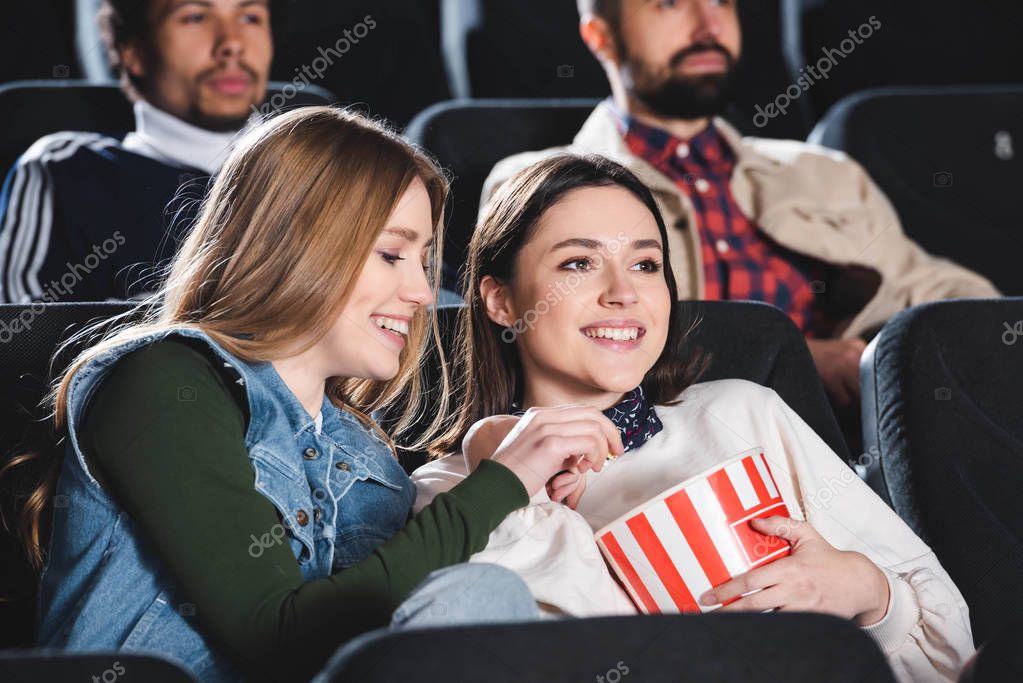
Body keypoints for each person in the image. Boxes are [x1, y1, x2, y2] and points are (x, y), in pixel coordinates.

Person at [0, 109, 624, 682]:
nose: (420, 291)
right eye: (391, 254)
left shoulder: (361, 447)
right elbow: (278, 636)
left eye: (423, 260)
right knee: (480, 595)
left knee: (482, 598)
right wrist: (502, 481)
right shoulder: (163, 380)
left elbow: (395, 605)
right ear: (297, 245)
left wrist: (482, 459)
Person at [415, 153, 975, 682]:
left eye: (645, 264)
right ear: (502, 301)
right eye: (578, 263)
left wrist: (871, 595)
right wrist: (515, 484)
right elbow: (589, 654)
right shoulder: (449, 493)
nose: (624, 292)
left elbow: (952, 658)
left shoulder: (742, 412)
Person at [480, 0, 999, 410]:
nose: (709, 25)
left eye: (722, 2)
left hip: (853, 440)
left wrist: (881, 360)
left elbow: (957, 302)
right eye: (670, 4)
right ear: (602, 36)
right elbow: (543, 346)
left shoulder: (825, 173)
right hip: (665, 448)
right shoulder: (539, 185)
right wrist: (794, 360)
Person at [0, 0, 275, 303]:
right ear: (134, 53)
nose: (232, 43)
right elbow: (26, 327)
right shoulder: (66, 170)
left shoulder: (311, 161)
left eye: (250, 18)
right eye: (196, 17)